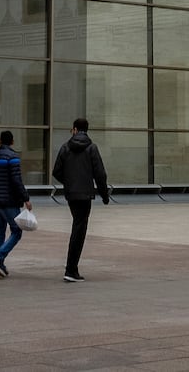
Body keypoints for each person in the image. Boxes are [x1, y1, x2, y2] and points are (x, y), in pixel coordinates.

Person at [49, 117, 110, 282]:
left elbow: (56, 171)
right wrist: (105, 195)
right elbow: (100, 174)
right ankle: (71, 269)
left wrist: (69, 182)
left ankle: (71, 268)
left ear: (75, 129)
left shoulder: (65, 147)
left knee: (77, 226)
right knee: (79, 229)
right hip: (85, 194)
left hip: (71, 194)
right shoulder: (91, 148)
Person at [0, 129, 30, 278]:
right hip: (9, 200)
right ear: (12, 142)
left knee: (0, 232)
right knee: (16, 231)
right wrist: (26, 198)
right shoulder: (13, 158)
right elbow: (17, 180)